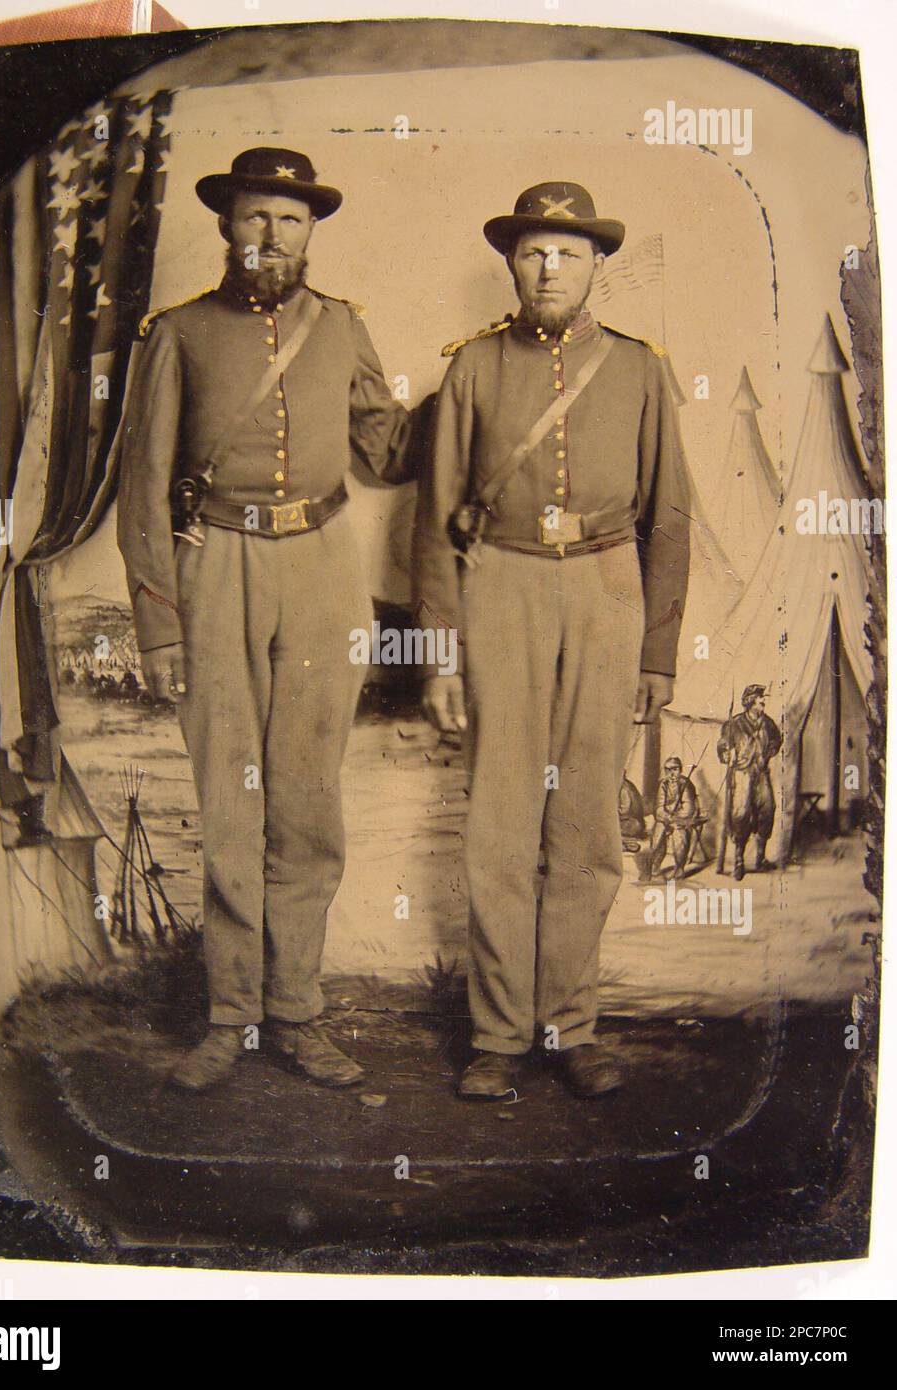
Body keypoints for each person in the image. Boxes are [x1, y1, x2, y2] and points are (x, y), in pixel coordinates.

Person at [118, 147, 413, 1090]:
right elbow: (140, 492)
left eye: (290, 219)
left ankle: (296, 1012)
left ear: (312, 230)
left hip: (326, 567)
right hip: (217, 565)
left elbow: (388, 455)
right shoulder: (180, 334)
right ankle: (228, 1015)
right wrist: (160, 626)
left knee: (308, 800)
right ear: (225, 226)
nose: (272, 235)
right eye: (255, 216)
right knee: (231, 801)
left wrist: (478, 398)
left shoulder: (342, 328)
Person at [413, 181, 691, 1100]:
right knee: (500, 818)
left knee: (585, 822)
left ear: (597, 266)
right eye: (533, 251)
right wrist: (441, 652)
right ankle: (497, 1035)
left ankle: (571, 1026)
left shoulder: (642, 370)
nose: (549, 268)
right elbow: (432, 521)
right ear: (511, 261)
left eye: (569, 253)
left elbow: (671, 518)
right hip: (502, 582)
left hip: (610, 585)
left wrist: (657, 651)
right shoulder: (475, 369)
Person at [718, 684, 783, 880]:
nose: (763, 701)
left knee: (767, 809)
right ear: (750, 701)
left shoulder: (768, 723)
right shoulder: (734, 724)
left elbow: (776, 741)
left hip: (760, 773)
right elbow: (723, 746)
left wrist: (768, 753)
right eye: (759, 698)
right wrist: (726, 753)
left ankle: (760, 858)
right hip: (742, 774)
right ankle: (739, 860)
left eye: (762, 698)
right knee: (741, 814)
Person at [645, 757, 700, 880]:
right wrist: (666, 816)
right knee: (658, 834)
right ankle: (655, 864)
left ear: (680, 770)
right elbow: (659, 807)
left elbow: (688, 808)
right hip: (666, 818)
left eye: (674, 769)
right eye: (668, 770)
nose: (671, 773)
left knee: (678, 834)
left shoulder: (686, 784)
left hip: (682, 819)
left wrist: (674, 818)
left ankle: (679, 867)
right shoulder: (663, 785)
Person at [618, 776, 646, 852]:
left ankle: (627, 844)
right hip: (635, 823)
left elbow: (624, 810)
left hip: (631, 824)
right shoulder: (628, 784)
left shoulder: (623, 788)